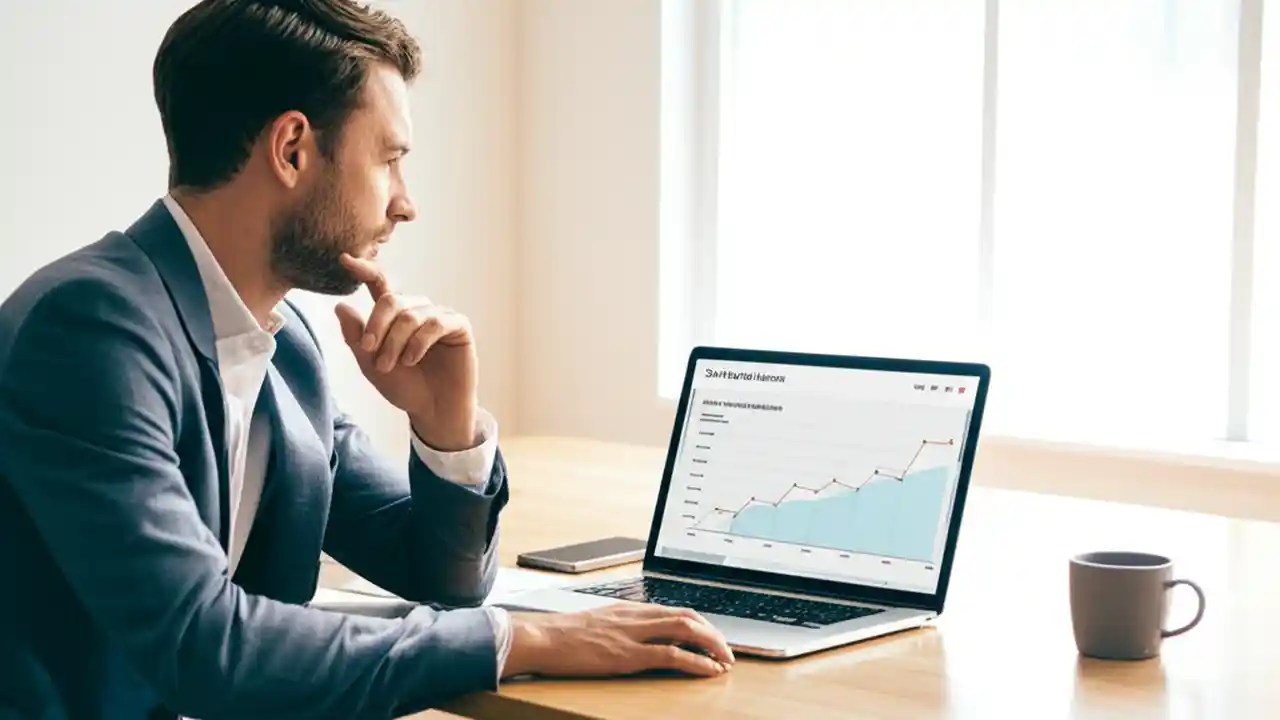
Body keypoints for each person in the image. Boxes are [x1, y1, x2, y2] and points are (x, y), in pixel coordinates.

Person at [0, 1, 734, 718]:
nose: (405, 204)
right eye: (389, 161)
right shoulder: (90, 330)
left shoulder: (286, 351)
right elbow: (204, 646)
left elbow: (440, 580)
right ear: (292, 150)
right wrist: (526, 638)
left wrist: (447, 427)